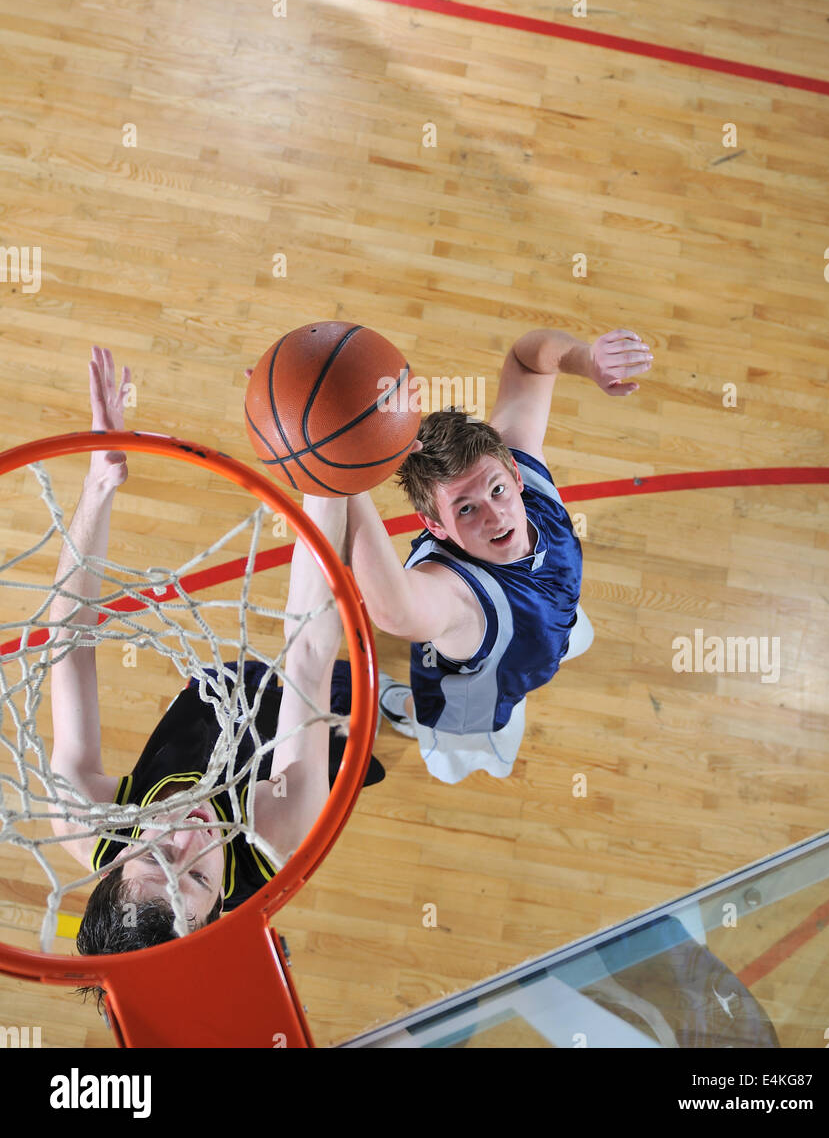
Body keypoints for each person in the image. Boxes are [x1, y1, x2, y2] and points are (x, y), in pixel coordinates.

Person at [46, 347, 381, 1009]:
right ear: (218, 902)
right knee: (354, 704)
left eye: (155, 856)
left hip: (213, 698)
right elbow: (307, 650)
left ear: (112, 860)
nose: (187, 833)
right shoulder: (275, 839)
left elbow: (70, 643)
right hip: (290, 735)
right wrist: (325, 470)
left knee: (257, 678)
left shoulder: (80, 819)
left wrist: (99, 482)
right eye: (196, 875)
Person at [345, 327, 652, 783]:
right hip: (474, 703)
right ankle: (400, 705)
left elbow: (529, 360)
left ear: (514, 472)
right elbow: (395, 610)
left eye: (497, 490)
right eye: (465, 509)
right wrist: (338, 476)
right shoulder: (455, 593)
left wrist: (586, 359)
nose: (494, 516)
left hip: (553, 623)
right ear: (435, 526)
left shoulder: (521, 461)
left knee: (574, 637)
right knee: (454, 759)